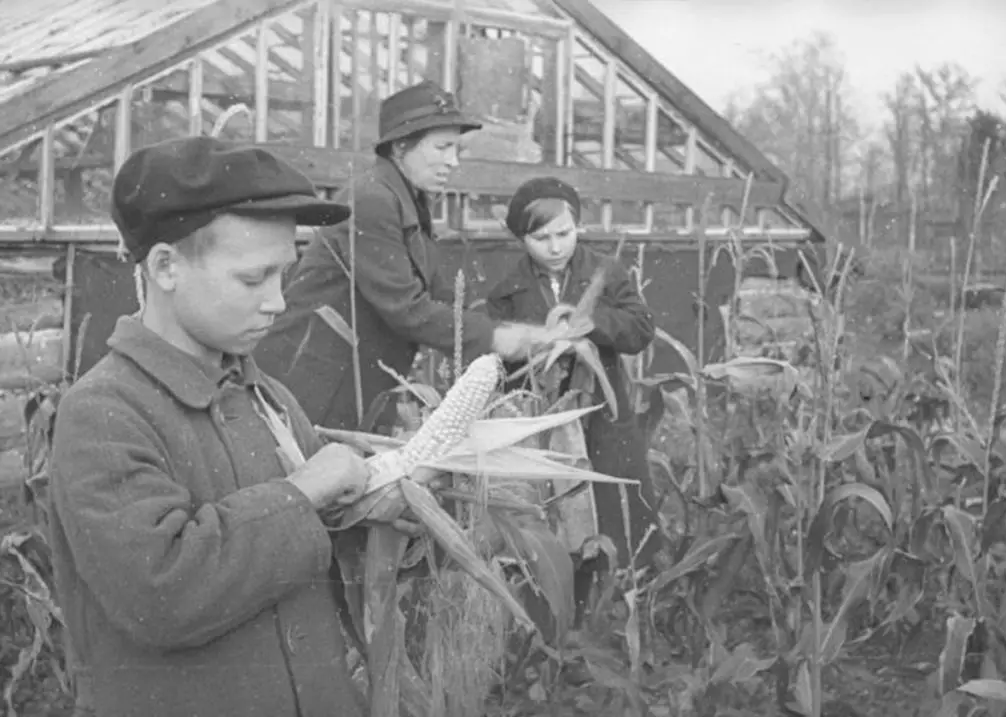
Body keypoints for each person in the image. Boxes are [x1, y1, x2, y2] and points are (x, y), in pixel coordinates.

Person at [47, 136, 379, 717]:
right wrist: (305, 492)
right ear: (166, 266)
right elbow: (162, 592)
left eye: (284, 275)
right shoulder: (104, 413)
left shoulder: (264, 396)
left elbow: (323, 537)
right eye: (254, 280)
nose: (277, 301)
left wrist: (388, 499)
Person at [253, 80, 554, 433]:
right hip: (312, 380)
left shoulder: (406, 200)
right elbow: (407, 310)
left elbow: (442, 295)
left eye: (456, 149)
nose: (452, 161)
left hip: (350, 379)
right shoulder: (372, 199)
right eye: (442, 147)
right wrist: (497, 337)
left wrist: (523, 328)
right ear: (400, 147)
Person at [486, 177, 663, 576]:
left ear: (577, 226)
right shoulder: (506, 292)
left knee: (617, 521)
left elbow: (641, 328)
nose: (555, 247)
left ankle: (621, 599)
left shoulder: (606, 273)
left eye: (564, 233)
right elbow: (498, 357)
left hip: (603, 417)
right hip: (543, 425)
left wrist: (588, 324)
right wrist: (539, 348)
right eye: (541, 238)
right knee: (556, 523)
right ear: (521, 239)